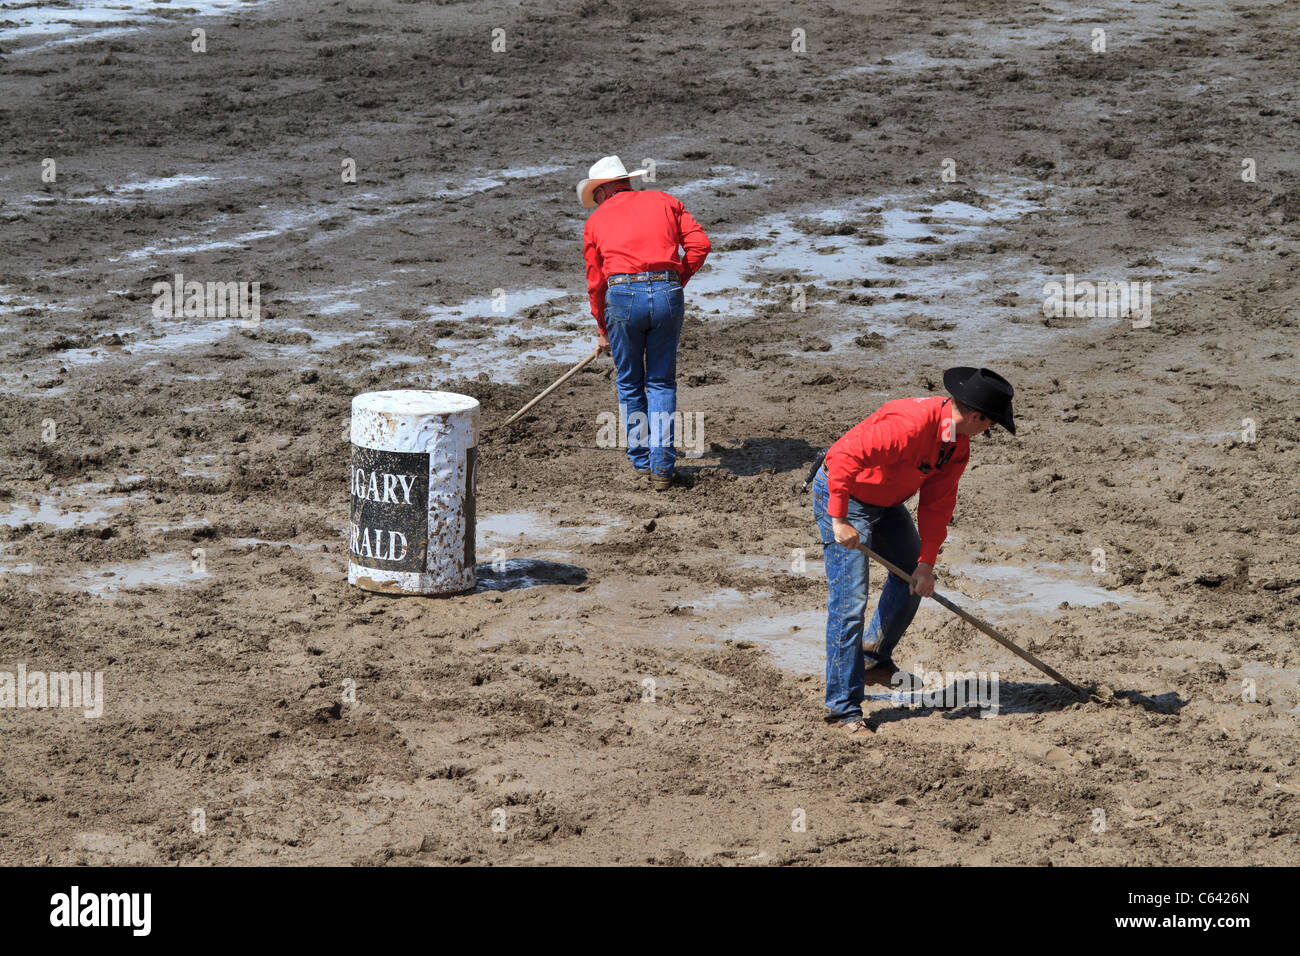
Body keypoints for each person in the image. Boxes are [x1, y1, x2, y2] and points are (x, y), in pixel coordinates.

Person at [810, 367, 1018, 739]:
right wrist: (839, 519)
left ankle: (874, 659)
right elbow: (842, 458)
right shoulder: (908, 424)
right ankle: (843, 708)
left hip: (887, 503)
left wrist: (926, 563)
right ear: (975, 417)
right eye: (992, 423)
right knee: (850, 601)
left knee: (911, 576)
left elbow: (938, 504)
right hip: (845, 497)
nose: (990, 431)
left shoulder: (957, 446)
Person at [579, 155, 711, 490]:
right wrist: (674, 280)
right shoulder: (665, 201)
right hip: (667, 294)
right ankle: (662, 467)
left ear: (605, 189)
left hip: (622, 298)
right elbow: (700, 245)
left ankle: (641, 461)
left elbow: (595, 283)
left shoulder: (595, 222)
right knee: (662, 383)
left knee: (629, 383)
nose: (598, 201)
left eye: (597, 195)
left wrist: (603, 330)